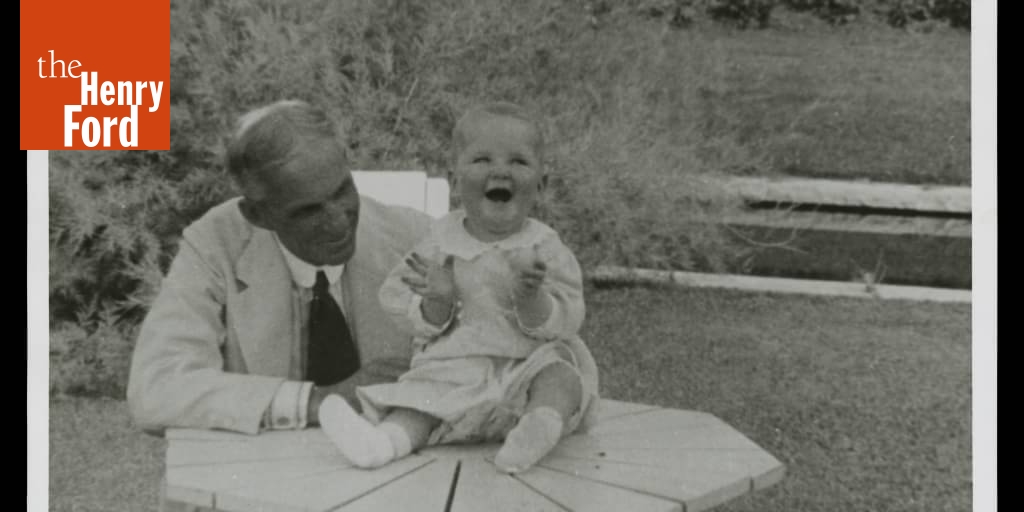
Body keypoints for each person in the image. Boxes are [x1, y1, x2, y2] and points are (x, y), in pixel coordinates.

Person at [318, 102, 600, 474]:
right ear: (454, 181)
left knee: (561, 378)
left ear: (541, 185)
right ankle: (382, 443)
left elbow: (567, 319)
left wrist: (532, 296)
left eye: (518, 162)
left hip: (525, 366)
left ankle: (538, 428)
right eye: (482, 159)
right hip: (455, 369)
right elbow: (403, 306)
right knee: (417, 403)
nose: (500, 170)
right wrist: (439, 299)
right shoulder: (438, 243)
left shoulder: (544, 248)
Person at [126, 99, 432, 440]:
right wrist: (317, 401)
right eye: (308, 210)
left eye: (343, 190)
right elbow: (156, 389)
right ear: (257, 216)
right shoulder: (215, 244)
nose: (338, 220)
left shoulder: (414, 237)